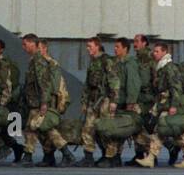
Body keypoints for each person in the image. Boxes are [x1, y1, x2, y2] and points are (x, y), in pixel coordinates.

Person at [136, 42, 184, 169]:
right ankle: (152, 158)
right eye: (154, 51)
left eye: (157, 51)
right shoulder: (162, 67)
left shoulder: (169, 68)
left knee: (171, 129)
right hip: (164, 104)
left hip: (169, 104)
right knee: (164, 131)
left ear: (164, 52)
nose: (154, 53)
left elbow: (176, 88)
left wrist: (174, 105)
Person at [18, 34, 74, 167]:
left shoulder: (38, 61)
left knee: (36, 128)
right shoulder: (35, 60)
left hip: (39, 103)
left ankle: (30, 156)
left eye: (25, 44)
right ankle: (52, 156)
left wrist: (44, 102)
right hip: (35, 102)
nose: (23, 47)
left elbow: (44, 83)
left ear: (32, 44)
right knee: (41, 129)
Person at [76, 37, 119, 167]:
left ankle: (110, 157)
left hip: (105, 99)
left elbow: (114, 81)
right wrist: (84, 102)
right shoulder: (93, 62)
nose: (88, 49)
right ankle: (88, 156)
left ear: (97, 46)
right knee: (87, 128)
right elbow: (88, 84)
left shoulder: (107, 61)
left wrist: (113, 101)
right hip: (93, 100)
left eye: (90, 46)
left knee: (106, 129)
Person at [110, 37, 141, 168]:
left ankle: (142, 155)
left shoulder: (130, 63)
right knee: (120, 130)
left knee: (135, 130)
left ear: (125, 48)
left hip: (128, 103)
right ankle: (116, 156)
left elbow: (133, 83)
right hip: (120, 101)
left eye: (117, 47)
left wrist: (131, 102)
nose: (115, 49)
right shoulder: (118, 63)